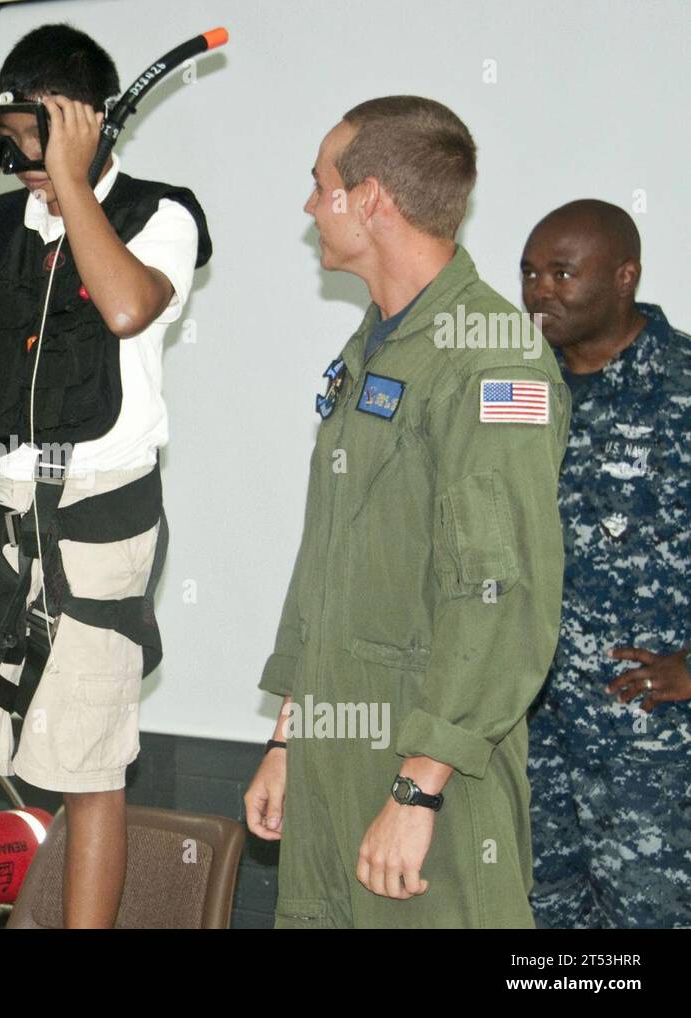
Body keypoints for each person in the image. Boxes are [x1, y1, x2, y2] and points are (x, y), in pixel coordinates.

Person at [0, 24, 209, 927]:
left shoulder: (161, 212)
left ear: (90, 123)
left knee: (82, 766)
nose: (23, 153)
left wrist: (71, 181)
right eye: (12, 133)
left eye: (40, 132)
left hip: (98, 512)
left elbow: (129, 305)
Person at [243, 96, 568, 927]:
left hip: (431, 781)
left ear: (374, 199)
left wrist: (418, 789)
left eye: (323, 186)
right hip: (331, 764)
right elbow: (330, 562)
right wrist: (288, 739)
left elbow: (500, 595)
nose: (312, 206)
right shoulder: (376, 345)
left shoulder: (490, 356)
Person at [521, 199, 691, 928]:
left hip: (649, 746)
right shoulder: (517, 389)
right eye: (529, 272)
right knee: (543, 920)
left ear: (626, 277)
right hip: (533, 729)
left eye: (562, 272)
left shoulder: (681, 388)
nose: (539, 290)